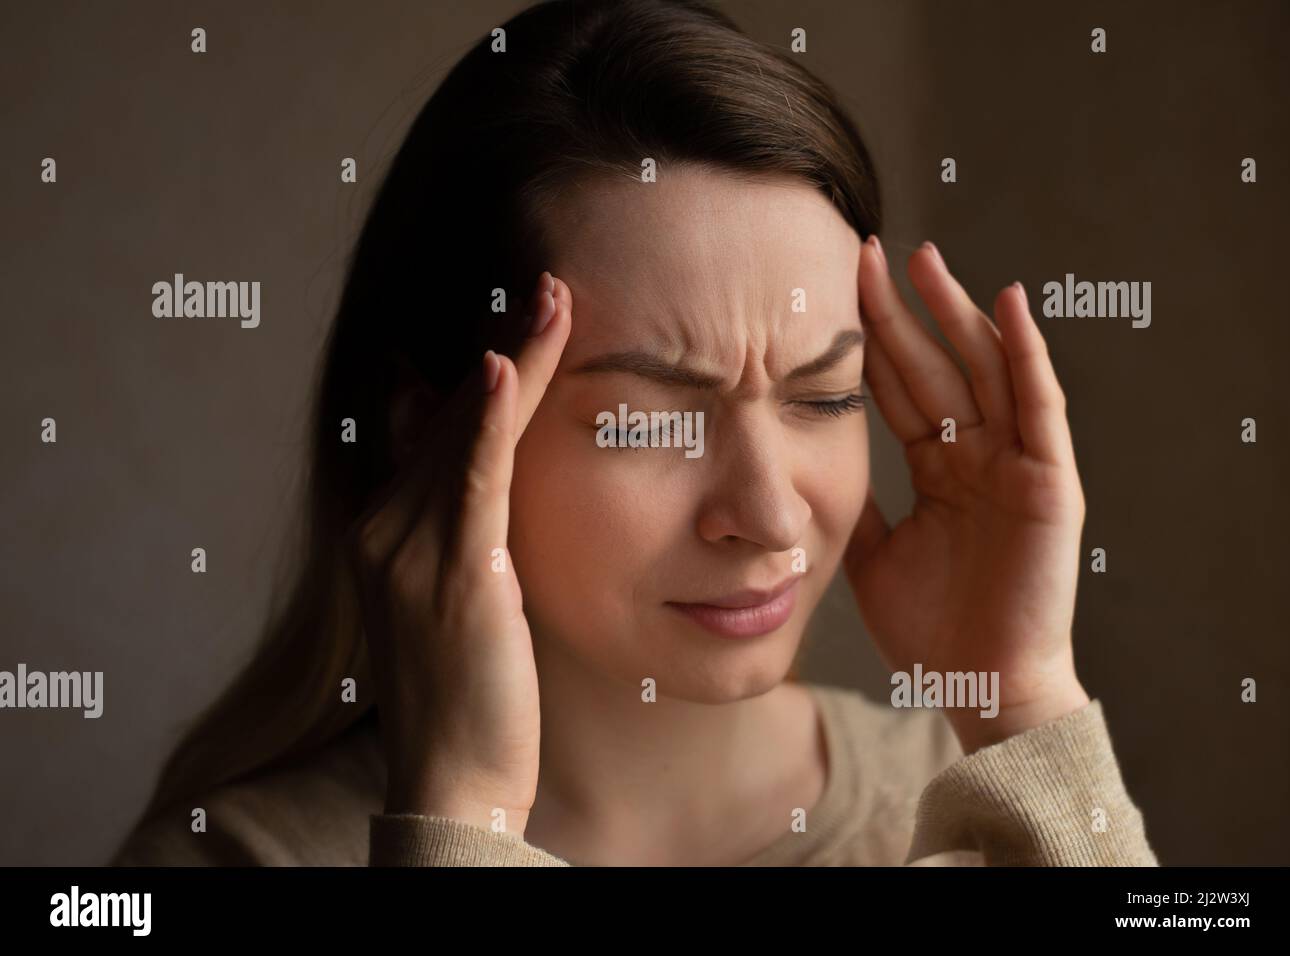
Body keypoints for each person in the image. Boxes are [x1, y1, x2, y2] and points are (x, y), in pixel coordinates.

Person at [111, 0, 1157, 867]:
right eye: (646, 416)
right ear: (429, 431)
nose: (770, 513)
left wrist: (1021, 701)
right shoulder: (230, 857)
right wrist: (459, 822)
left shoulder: (985, 800)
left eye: (826, 396)